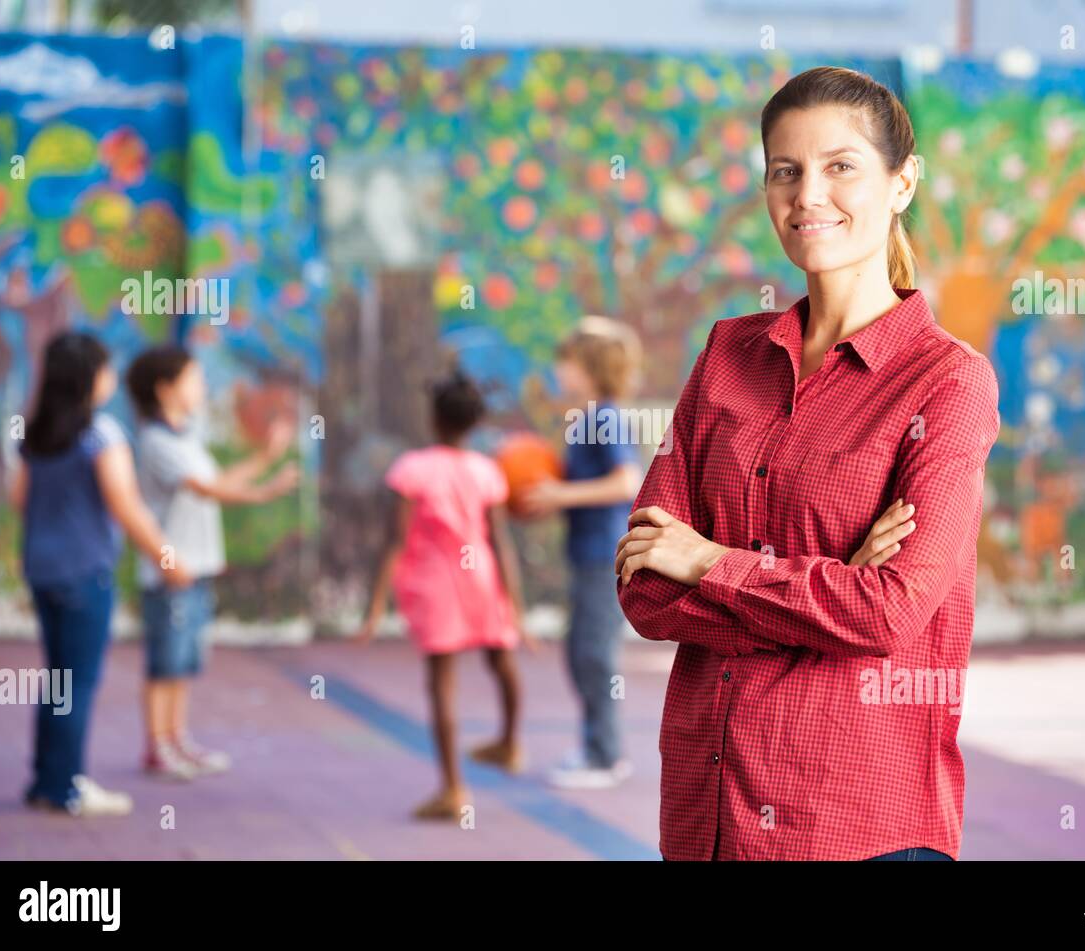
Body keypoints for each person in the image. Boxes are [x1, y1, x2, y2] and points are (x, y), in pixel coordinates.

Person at [614, 66, 999, 861]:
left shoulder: (948, 381)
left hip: (856, 824)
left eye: (840, 167)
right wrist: (827, 587)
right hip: (706, 814)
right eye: (784, 171)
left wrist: (711, 562)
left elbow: (891, 612)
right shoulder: (727, 353)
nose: (807, 195)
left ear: (902, 182)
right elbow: (647, 589)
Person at [11, 331, 191, 816]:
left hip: (42, 569)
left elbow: (19, 500)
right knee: (78, 681)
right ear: (90, 379)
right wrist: (170, 561)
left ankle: (46, 780)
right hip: (85, 571)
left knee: (59, 678)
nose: (111, 378)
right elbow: (128, 507)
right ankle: (67, 786)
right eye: (106, 369)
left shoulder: (36, 433)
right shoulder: (101, 435)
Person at [355, 369, 528, 821]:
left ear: (433, 419)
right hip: (483, 578)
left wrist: (375, 607)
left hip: (437, 585)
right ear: (474, 422)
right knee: (501, 661)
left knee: (441, 685)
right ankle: (510, 742)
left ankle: (453, 789)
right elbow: (499, 541)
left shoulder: (413, 469)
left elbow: (396, 540)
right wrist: (516, 606)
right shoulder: (487, 470)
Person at [125, 345, 299, 781]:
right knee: (164, 663)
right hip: (170, 571)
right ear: (166, 389)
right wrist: (265, 489)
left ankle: (176, 739)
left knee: (182, 662)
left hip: (194, 569)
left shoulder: (185, 436)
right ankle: (157, 746)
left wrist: (264, 461)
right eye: (193, 379)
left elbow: (216, 481)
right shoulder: (156, 440)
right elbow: (208, 490)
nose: (203, 387)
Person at [517, 316, 645, 790]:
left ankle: (606, 755)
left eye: (565, 362)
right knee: (580, 652)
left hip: (604, 556)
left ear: (588, 367)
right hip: (587, 551)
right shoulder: (587, 418)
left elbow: (626, 481)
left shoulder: (604, 417)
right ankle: (595, 744)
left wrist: (560, 496)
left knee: (593, 654)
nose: (558, 371)